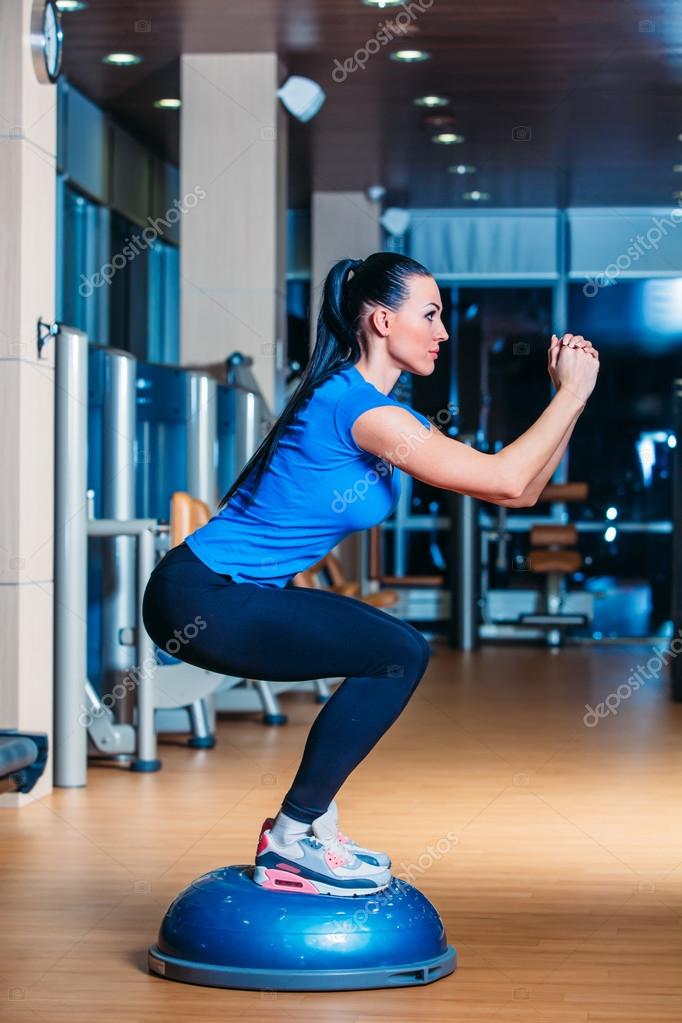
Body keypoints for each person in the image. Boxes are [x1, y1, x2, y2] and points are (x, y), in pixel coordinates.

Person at [142, 251, 599, 898]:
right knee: (398, 651)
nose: (443, 331)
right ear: (383, 321)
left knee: (392, 652)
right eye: (431, 314)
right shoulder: (364, 412)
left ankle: (309, 823)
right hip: (201, 594)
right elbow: (505, 478)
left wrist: (567, 401)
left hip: (225, 593)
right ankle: (294, 834)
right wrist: (575, 391)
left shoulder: (368, 407)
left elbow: (521, 493)